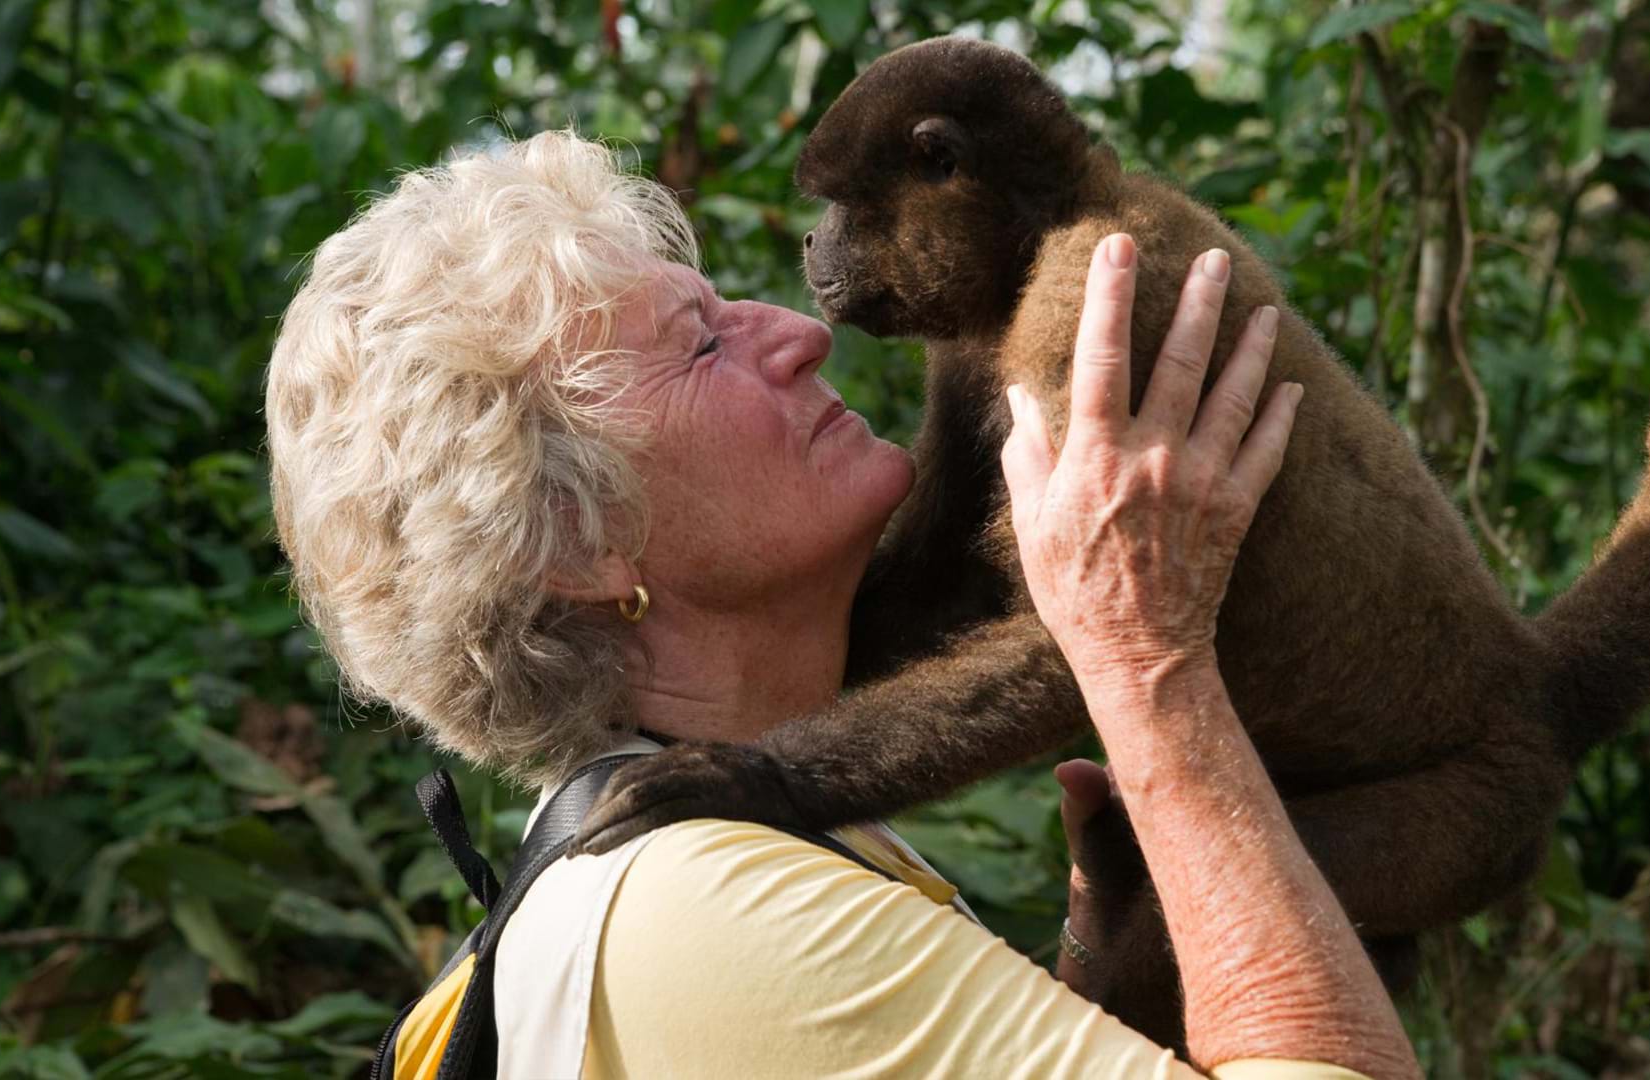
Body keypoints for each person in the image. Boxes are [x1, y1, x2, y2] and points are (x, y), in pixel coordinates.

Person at [265, 131, 1420, 1079]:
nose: (804, 331)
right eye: (702, 342)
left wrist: (1103, 967)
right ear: (581, 540)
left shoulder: (752, 850)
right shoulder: (697, 913)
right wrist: (1147, 656)